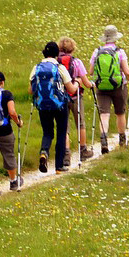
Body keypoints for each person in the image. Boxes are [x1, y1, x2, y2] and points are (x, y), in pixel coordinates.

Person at [30, 42, 78, 174]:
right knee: (61, 133)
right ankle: (59, 166)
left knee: (47, 133)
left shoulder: (36, 68)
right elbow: (71, 89)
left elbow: (30, 90)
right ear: (57, 54)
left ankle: (44, 152)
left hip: (42, 106)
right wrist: (77, 83)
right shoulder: (59, 67)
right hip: (60, 105)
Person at [89, 25, 129, 152]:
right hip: (118, 86)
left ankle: (104, 140)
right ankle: (122, 140)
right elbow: (127, 72)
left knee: (104, 114)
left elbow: (91, 71)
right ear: (115, 38)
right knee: (120, 113)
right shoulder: (119, 52)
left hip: (101, 86)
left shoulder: (97, 51)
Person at [58, 37, 95, 162]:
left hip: (60, 98)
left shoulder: (56, 63)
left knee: (64, 126)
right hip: (75, 96)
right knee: (80, 123)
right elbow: (85, 82)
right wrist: (91, 85)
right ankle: (83, 150)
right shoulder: (76, 62)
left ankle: (66, 154)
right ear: (72, 48)